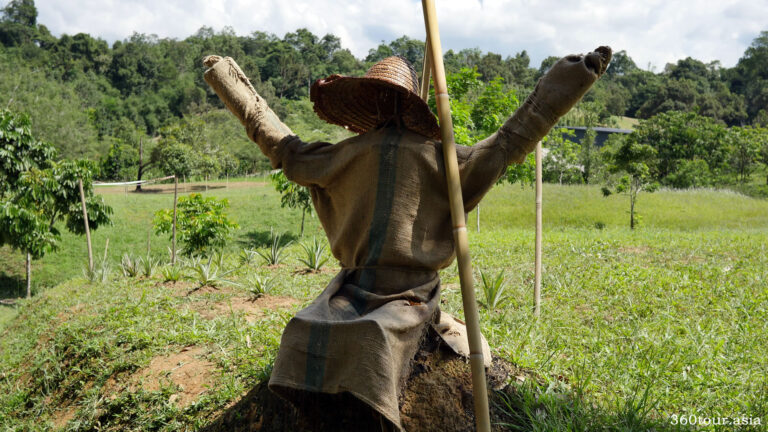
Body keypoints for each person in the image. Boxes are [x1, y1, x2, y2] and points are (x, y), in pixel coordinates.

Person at [203, 45, 611, 431]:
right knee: (311, 327)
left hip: (402, 294)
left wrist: (227, 80)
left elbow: (282, 146)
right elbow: (509, 141)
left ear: (367, 102)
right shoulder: (435, 158)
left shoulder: (359, 156)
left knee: (366, 336)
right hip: (359, 287)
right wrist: (575, 75)